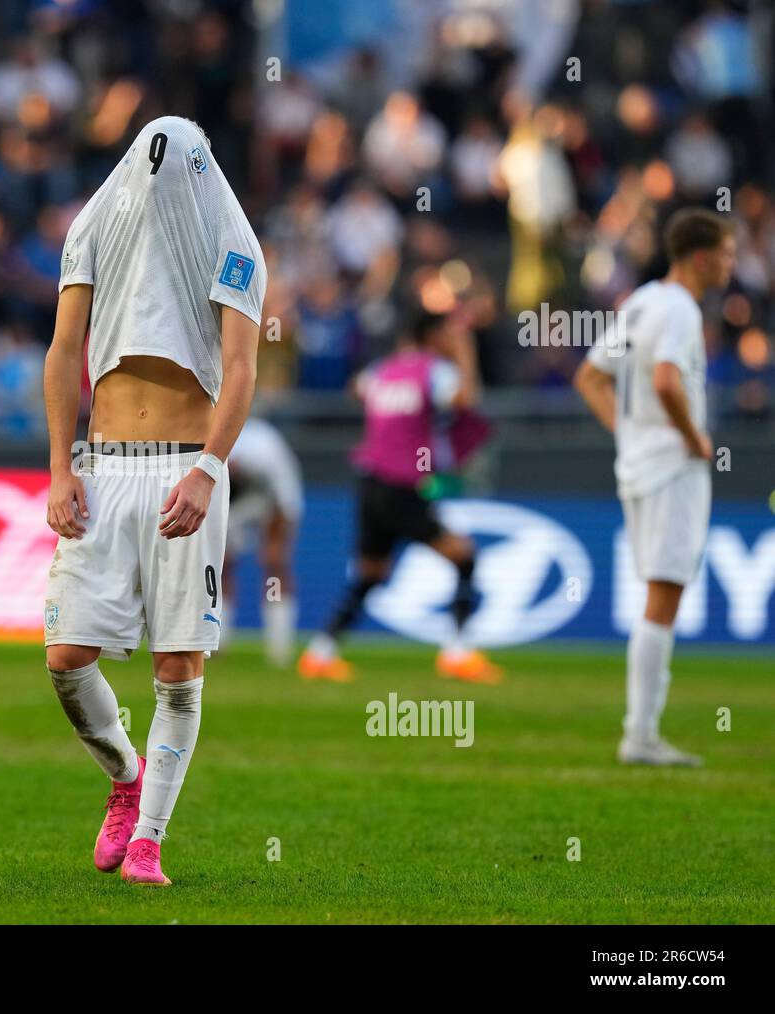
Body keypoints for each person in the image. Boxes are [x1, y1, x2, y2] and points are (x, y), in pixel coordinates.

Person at [43, 116, 265, 886]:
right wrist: (59, 467)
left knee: (179, 667)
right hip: (102, 467)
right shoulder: (94, 228)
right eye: (151, 159)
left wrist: (208, 467)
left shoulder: (237, 248)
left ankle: (150, 839)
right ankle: (126, 775)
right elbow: (64, 350)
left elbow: (239, 369)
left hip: (181, 467)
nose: (162, 177)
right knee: (66, 660)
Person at [574, 208, 734, 766]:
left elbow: (590, 377)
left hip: (638, 464)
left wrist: (629, 434)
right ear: (701, 257)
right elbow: (667, 380)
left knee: (658, 594)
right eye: (727, 252)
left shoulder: (640, 301)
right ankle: (640, 735)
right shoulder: (682, 310)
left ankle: (641, 732)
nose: (732, 262)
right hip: (671, 467)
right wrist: (692, 438)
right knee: (664, 598)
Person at [297, 310, 500, 683]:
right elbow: (466, 398)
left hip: (370, 479)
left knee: (371, 573)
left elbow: (355, 388)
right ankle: (457, 652)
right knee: (464, 556)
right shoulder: (436, 371)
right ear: (435, 337)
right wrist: (465, 352)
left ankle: (320, 653)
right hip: (405, 483)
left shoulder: (382, 370)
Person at [224, 416, 303, 666]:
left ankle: (279, 647)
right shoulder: (209, 438)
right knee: (219, 565)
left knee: (274, 566)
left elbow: (284, 500)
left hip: (274, 502)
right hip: (230, 501)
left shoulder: (264, 450)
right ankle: (217, 641)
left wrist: (276, 542)